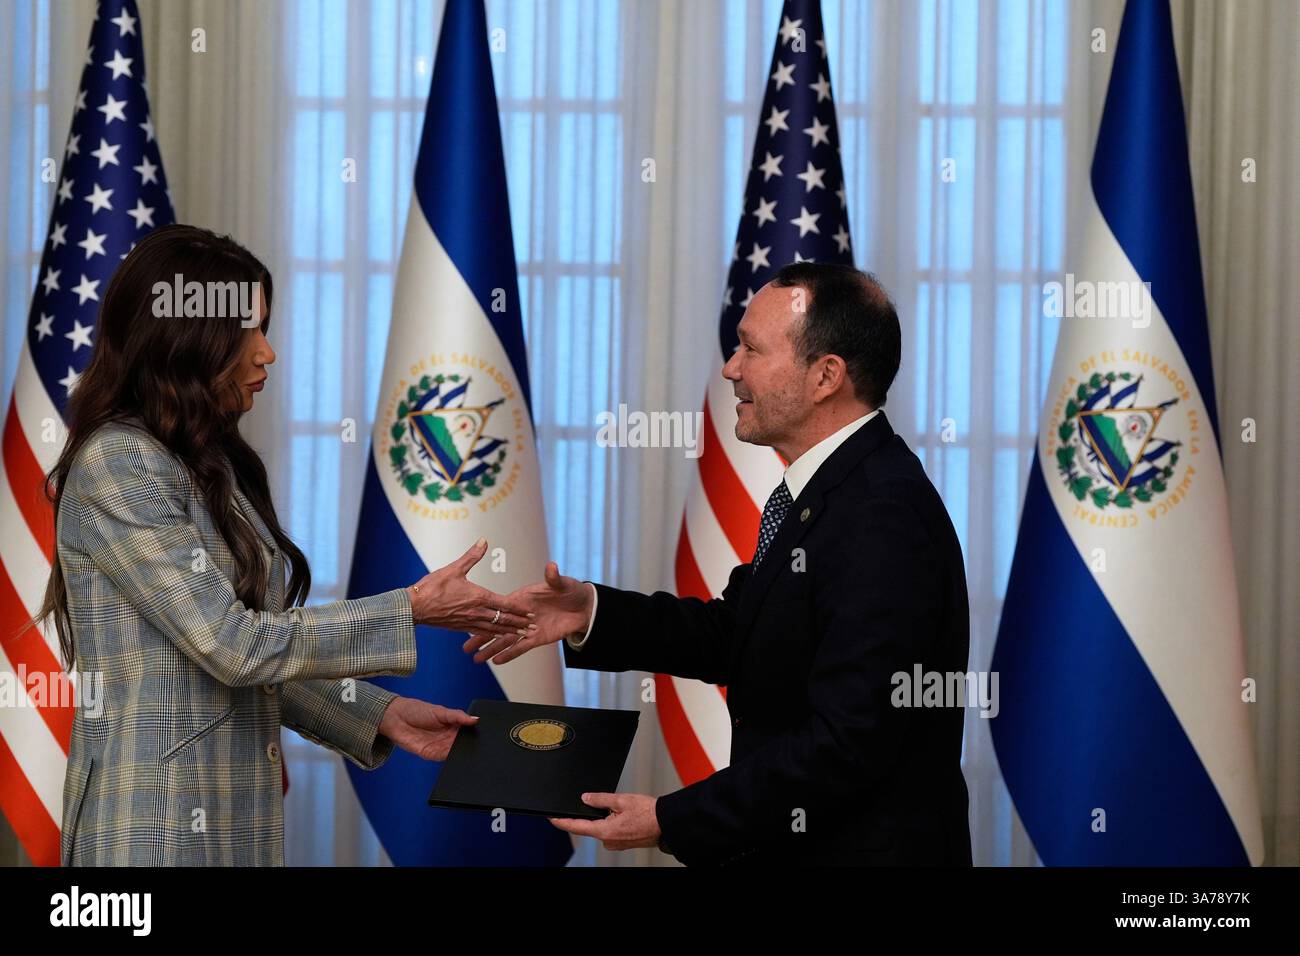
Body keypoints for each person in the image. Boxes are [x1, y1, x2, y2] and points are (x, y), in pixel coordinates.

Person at [38, 224, 536, 865]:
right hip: (151, 836)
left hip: (229, 831)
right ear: (188, 336)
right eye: (250, 331)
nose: (267, 353)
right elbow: (234, 646)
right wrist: (408, 609)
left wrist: (380, 714)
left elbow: (231, 664)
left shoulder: (203, 461)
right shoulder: (120, 463)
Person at [468, 262, 972, 866]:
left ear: (826, 376)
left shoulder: (881, 513)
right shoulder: (827, 491)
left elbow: (847, 741)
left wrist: (670, 818)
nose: (731, 368)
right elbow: (736, 633)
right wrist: (591, 614)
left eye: (751, 349)